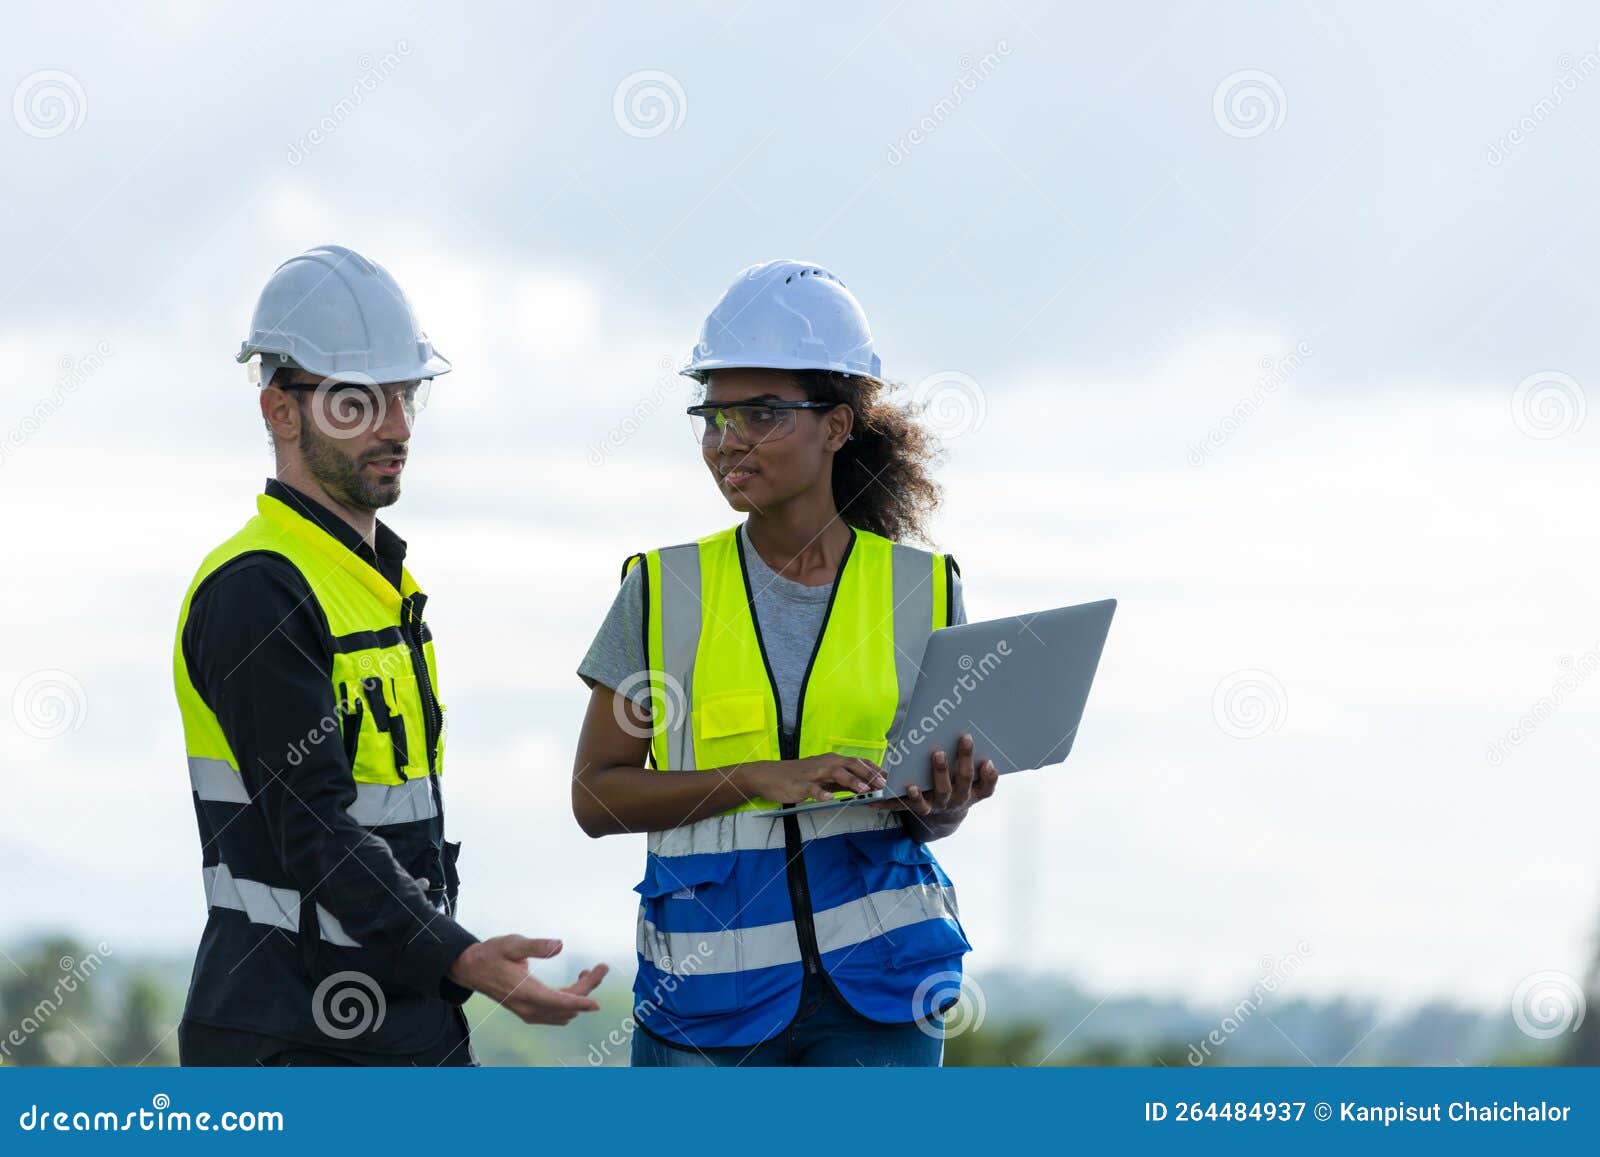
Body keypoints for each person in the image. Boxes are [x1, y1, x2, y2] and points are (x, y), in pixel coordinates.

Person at [174, 244, 606, 1066]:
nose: (398, 426)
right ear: (280, 410)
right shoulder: (257, 590)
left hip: (402, 1022)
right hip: (291, 1041)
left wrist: (446, 964)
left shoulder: (373, 585)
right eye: (359, 401)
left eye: (406, 395)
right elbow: (314, 830)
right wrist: (463, 957)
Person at [573, 259, 999, 1067]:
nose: (728, 440)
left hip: (883, 996)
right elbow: (595, 796)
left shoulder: (924, 590)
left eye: (762, 413)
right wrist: (758, 777)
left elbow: (927, 815)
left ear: (837, 426)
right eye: (713, 417)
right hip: (706, 1009)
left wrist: (946, 804)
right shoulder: (660, 591)